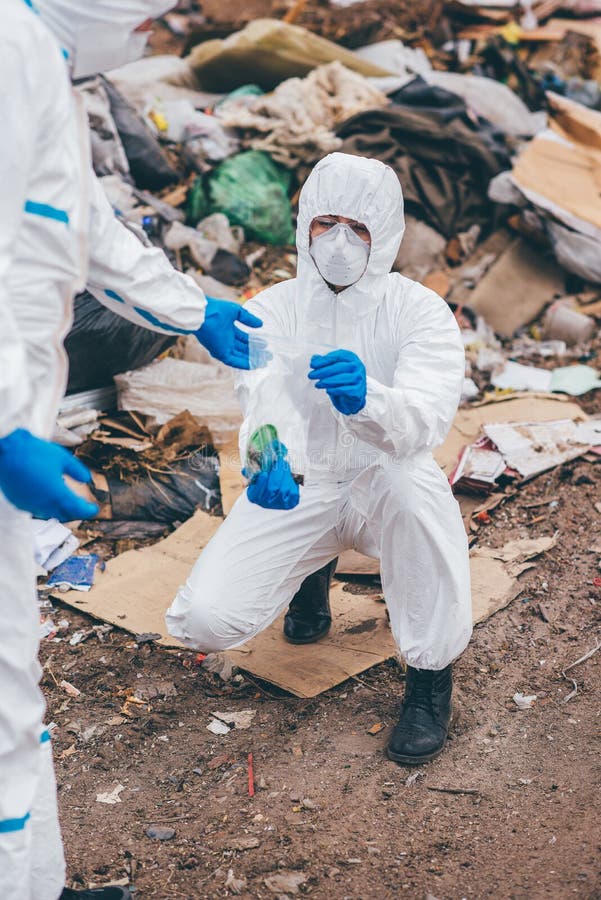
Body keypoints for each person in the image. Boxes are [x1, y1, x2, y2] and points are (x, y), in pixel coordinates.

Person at [0, 2, 260, 898]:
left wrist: (194, 309)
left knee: (14, 691)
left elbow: (79, 225)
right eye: (155, 16)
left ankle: (40, 884)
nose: (164, 34)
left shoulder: (50, 67)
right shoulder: (7, 52)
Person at [166, 152, 473, 767]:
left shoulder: (419, 312)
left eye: (358, 227)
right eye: (326, 221)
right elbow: (257, 398)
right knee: (205, 619)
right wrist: (264, 455)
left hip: (385, 477)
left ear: (385, 231)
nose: (338, 242)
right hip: (306, 484)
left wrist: (369, 399)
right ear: (303, 222)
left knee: (416, 491)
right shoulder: (274, 307)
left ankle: (430, 679)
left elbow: (425, 423)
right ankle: (313, 573)